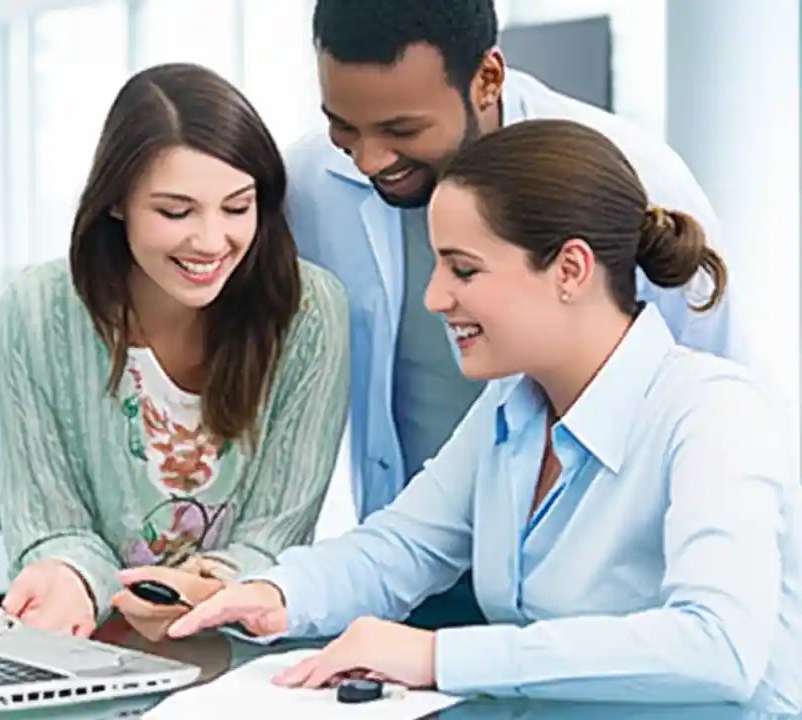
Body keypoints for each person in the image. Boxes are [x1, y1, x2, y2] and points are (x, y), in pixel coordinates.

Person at [167, 119, 802, 713]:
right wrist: (272, 596)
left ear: (570, 270)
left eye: (463, 269)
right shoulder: (513, 406)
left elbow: (718, 645)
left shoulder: (713, 412)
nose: (435, 297)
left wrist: (436, 655)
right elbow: (401, 546)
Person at [289, 0, 737, 628]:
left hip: (620, 603)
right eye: (344, 127)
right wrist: (262, 588)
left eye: (402, 130)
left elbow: (691, 383)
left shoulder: (635, 183)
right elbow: (398, 547)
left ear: (488, 79)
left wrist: (443, 659)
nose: (367, 160)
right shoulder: (309, 182)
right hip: (426, 564)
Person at [0, 63, 350, 642]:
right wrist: (68, 576)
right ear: (116, 202)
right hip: (88, 650)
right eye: (175, 212)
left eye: (237, 208)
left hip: (243, 660)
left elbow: (276, 536)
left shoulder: (309, 312)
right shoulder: (37, 309)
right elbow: (49, 521)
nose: (211, 241)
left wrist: (215, 587)